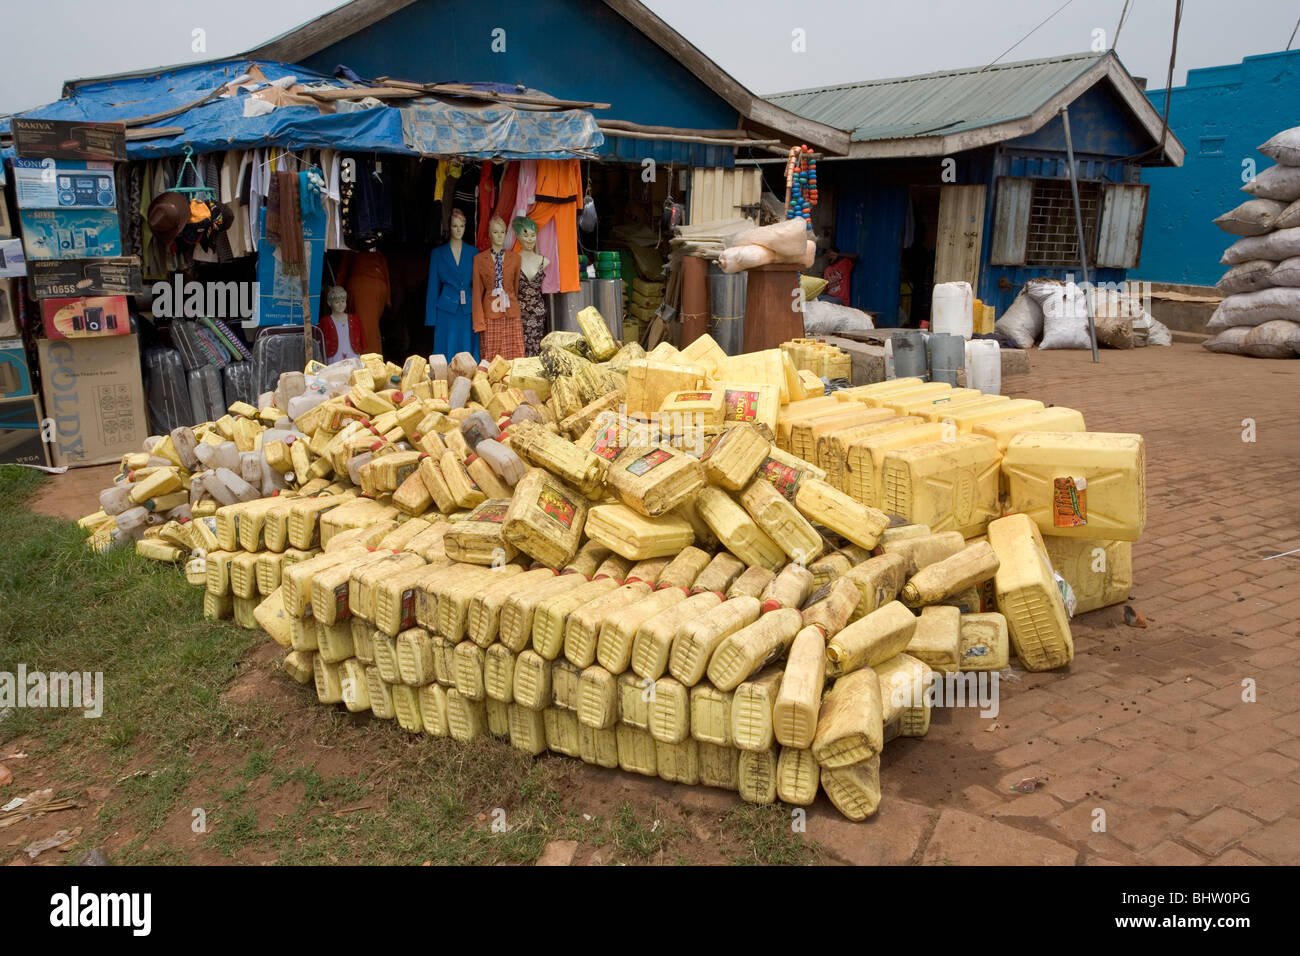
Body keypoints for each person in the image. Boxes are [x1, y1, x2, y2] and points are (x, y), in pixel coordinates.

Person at [425, 209, 477, 360]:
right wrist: (431, 318)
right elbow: (433, 287)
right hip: (446, 309)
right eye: (455, 226)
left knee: (466, 350)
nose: (458, 229)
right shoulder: (438, 253)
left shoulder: (473, 252)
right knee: (446, 348)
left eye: (461, 226)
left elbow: (478, 285)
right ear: (449, 227)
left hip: (468, 309)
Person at [472, 216, 524, 361]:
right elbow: (477, 293)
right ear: (489, 234)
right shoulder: (479, 260)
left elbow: (514, 288)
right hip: (490, 313)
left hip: (511, 313)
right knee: (491, 356)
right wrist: (479, 322)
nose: (499, 236)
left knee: (515, 356)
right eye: (495, 232)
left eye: (502, 232)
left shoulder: (515, 259)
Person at [513, 215, 549, 356]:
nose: (530, 239)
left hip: (538, 313)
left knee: (536, 350)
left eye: (533, 235)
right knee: (518, 350)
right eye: (525, 235)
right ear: (517, 236)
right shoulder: (513, 260)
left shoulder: (544, 261)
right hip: (519, 313)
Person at [319, 285, 363, 364]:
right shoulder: (324, 322)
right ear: (329, 303)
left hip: (353, 356)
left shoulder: (355, 319)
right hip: (334, 359)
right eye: (336, 302)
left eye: (343, 301)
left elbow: (362, 339)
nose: (340, 304)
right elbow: (320, 344)